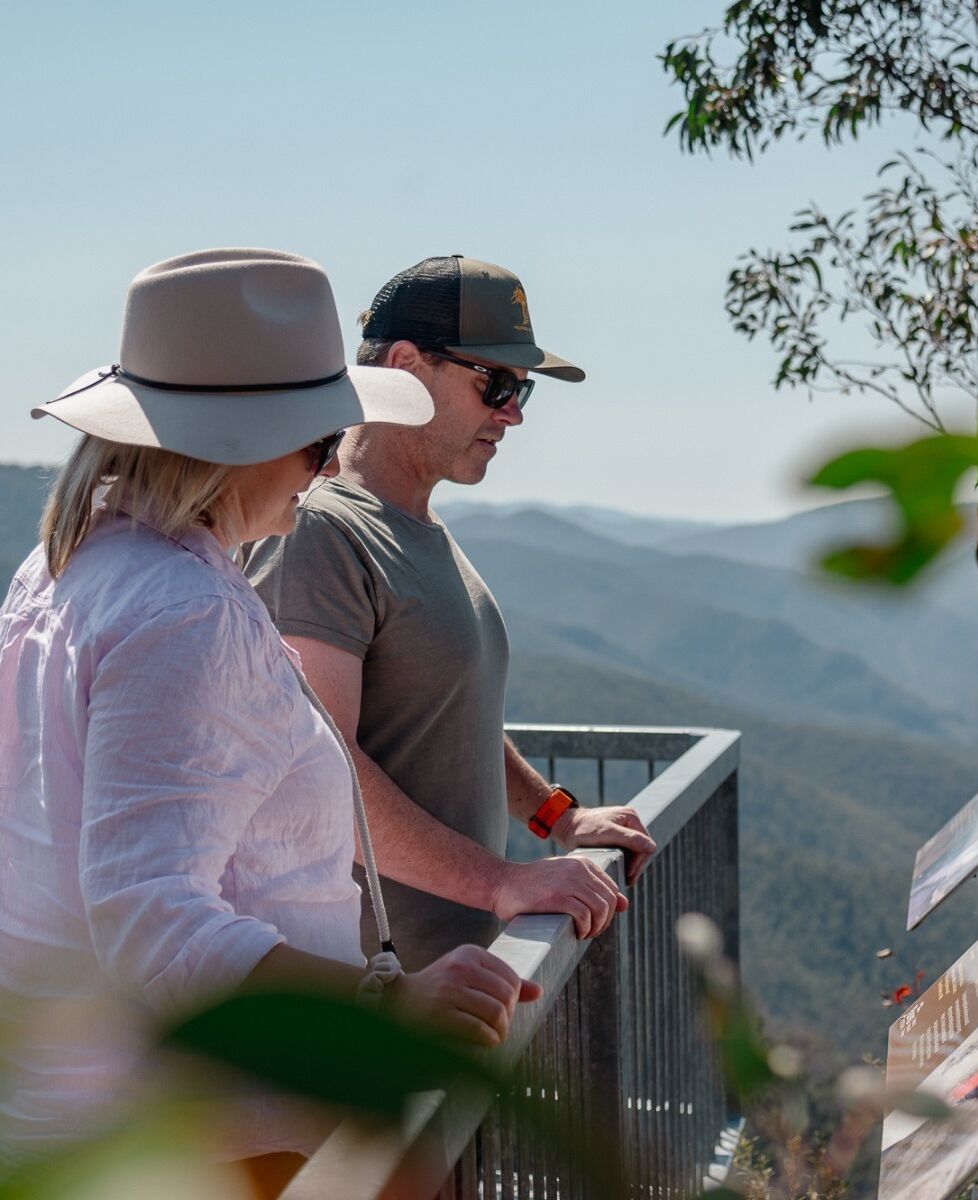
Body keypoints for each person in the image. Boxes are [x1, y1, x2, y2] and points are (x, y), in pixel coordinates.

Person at [0, 249, 541, 1181]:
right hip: (206, 1135)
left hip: (76, 1110)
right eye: (316, 442)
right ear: (230, 444)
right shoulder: (183, 610)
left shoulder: (60, 572)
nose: (326, 468)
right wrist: (389, 1001)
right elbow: (153, 914)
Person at [246, 256, 657, 970]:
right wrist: (501, 881)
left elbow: (445, 715)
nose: (514, 411)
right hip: (380, 998)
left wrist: (556, 818)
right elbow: (320, 768)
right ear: (404, 366)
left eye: (521, 388)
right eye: (494, 383)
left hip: (453, 985)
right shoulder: (319, 531)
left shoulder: (414, 526)